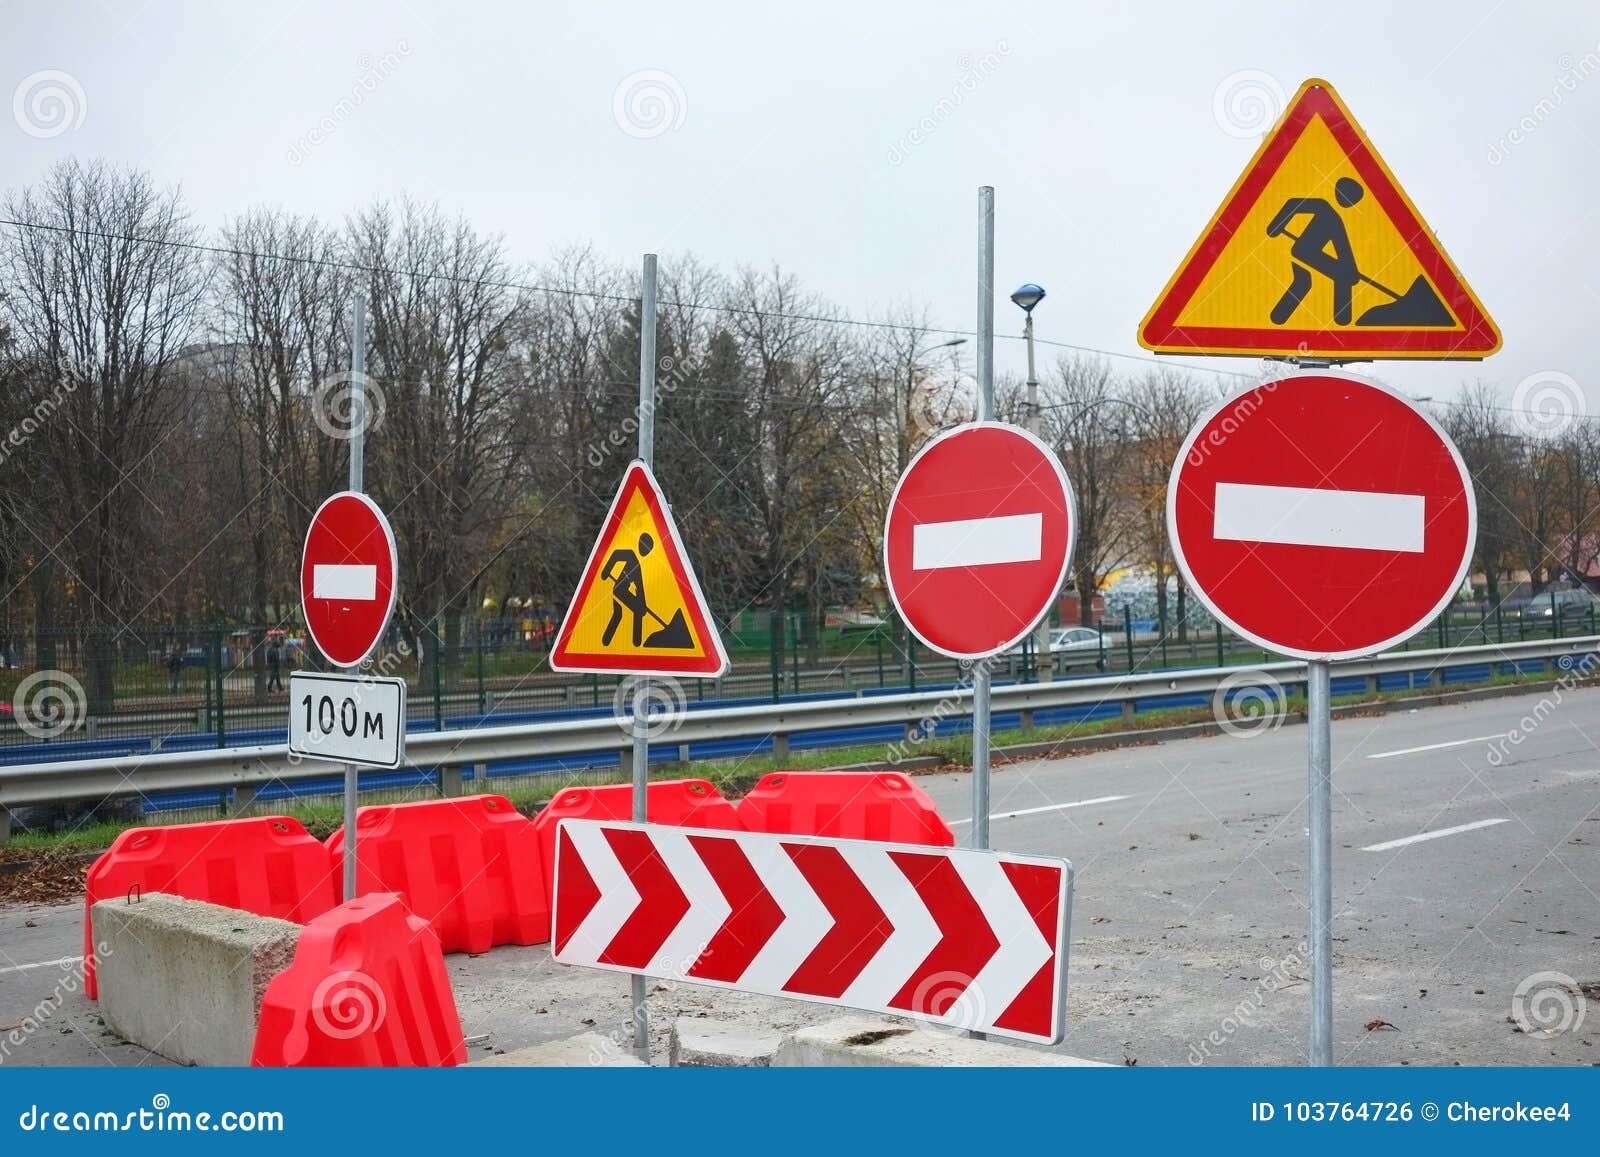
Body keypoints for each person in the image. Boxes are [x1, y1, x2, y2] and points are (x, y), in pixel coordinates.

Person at [1266, 177, 1365, 326]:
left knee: (1340, 276)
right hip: (1303, 251)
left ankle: (1342, 320)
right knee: (1306, 283)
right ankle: (1341, 320)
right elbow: (1292, 204)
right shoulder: (1324, 208)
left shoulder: (1336, 219)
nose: (1351, 202)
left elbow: (1343, 249)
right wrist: (1275, 226)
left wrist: (1352, 272)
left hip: (1309, 254)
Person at [600, 532, 655, 648]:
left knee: (619, 614)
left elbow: (640, 589)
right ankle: (636, 641)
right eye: (646, 548)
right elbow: (616, 555)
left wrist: (643, 604)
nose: (646, 552)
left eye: (648, 550)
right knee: (636, 610)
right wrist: (606, 571)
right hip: (619, 589)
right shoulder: (631, 556)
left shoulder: (638, 567)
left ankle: (606, 642)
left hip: (623, 591)